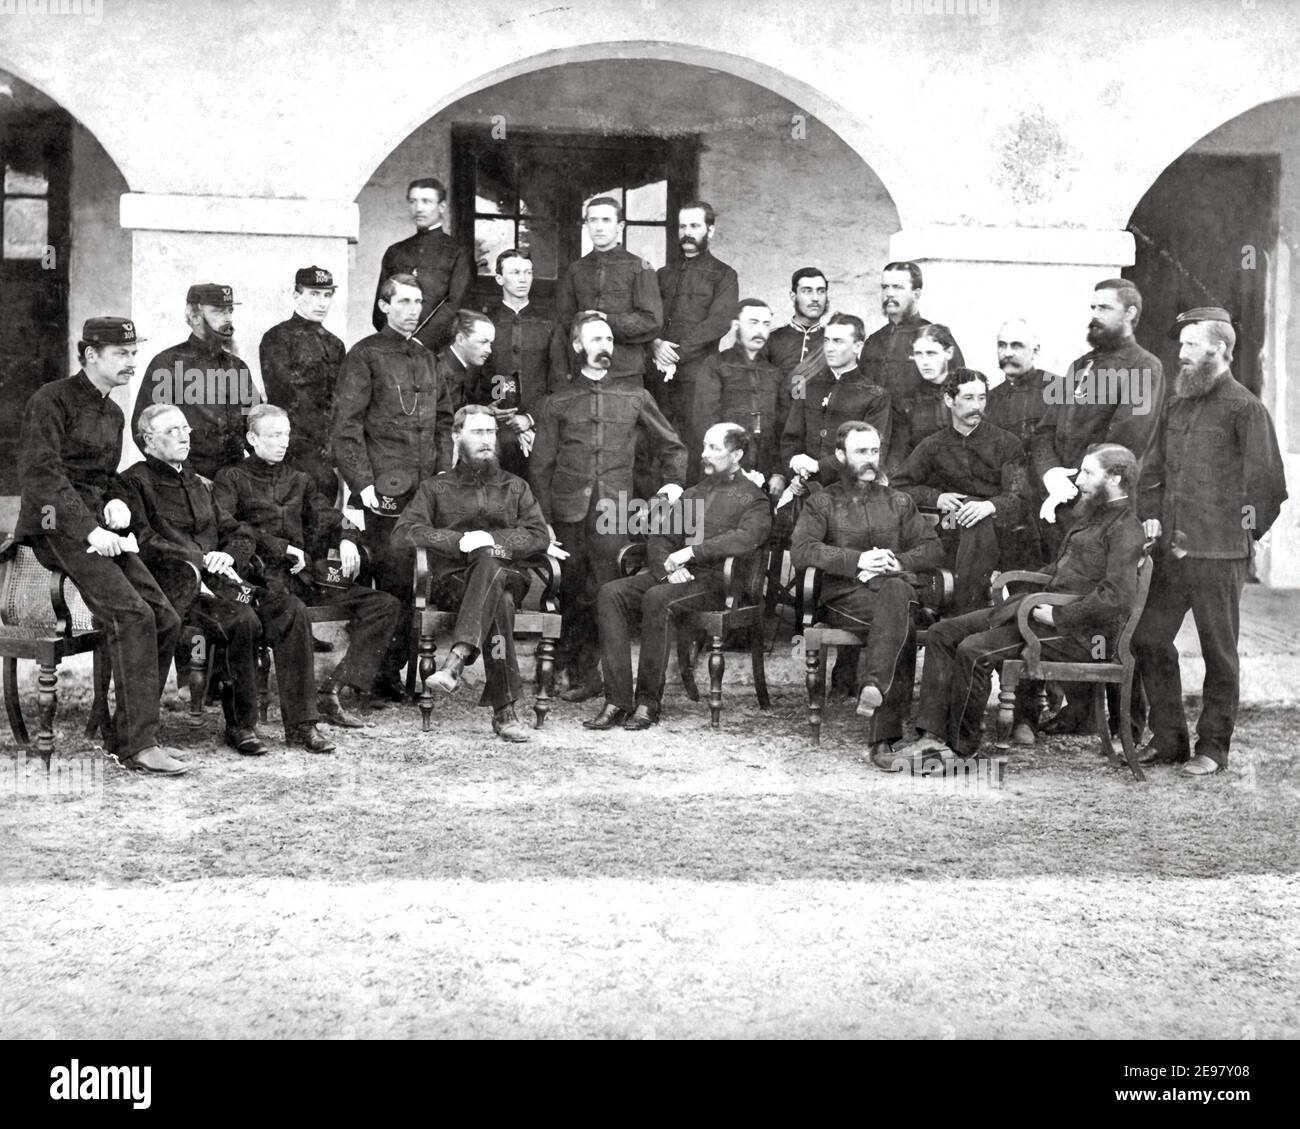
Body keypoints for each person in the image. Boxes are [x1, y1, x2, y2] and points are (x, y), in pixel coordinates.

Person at [892, 445, 1146, 768]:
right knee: (943, 632)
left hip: (1081, 637)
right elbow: (1063, 572)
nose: (1078, 480)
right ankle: (930, 736)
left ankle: (960, 749)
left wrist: (1057, 615)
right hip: (1043, 617)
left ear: (1115, 477)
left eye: (1087, 473)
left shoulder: (1125, 527)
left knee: (973, 650)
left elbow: (1118, 597)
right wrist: (1018, 585)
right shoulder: (1093, 516)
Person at [17, 317, 188, 776]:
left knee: (165, 615)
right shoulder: (50, 400)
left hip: (97, 529)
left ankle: (127, 732)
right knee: (131, 615)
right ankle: (138, 746)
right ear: (90, 355)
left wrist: (113, 499)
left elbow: (102, 476)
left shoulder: (113, 414)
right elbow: (42, 475)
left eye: (134, 352)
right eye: (122, 354)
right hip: (54, 527)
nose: (132, 362)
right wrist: (88, 529)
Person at [122, 404, 336, 756]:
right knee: (242, 619)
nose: (184, 436)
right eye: (172, 431)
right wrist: (200, 558)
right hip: (177, 590)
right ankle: (241, 726)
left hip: (223, 585)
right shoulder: (135, 481)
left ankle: (302, 725)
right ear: (148, 440)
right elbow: (145, 541)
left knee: (291, 609)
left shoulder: (196, 483)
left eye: (185, 429)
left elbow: (237, 532)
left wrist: (229, 556)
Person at [1133, 309, 1287, 776]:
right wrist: (1151, 518)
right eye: (1181, 345)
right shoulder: (1177, 406)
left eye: (1191, 345)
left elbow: (1267, 487)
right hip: (1171, 554)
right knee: (1148, 639)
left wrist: (1243, 536)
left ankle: (1213, 748)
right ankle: (1169, 740)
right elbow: (1151, 472)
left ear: (1219, 348)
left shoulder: (1246, 408)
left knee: (1219, 651)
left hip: (1219, 556)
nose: (1181, 354)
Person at [530, 312, 687, 699]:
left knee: (604, 588)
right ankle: (574, 669)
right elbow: (541, 467)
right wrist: (543, 521)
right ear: (578, 346)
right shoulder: (558, 402)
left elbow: (673, 446)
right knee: (570, 589)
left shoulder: (636, 397)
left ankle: (592, 672)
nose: (605, 347)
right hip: (567, 510)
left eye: (610, 340)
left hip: (615, 512)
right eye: (596, 340)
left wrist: (670, 486)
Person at [215, 405, 402, 728]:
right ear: (252, 438)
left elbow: (327, 516)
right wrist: (281, 547)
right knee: (294, 611)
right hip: (262, 579)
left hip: (303, 579)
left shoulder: (299, 479)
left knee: (384, 605)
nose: (283, 442)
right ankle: (301, 719)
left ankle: (332, 690)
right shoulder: (231, 478)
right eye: (274, 435)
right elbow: (228, 529)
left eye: (286, 434)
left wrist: (347, 537)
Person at [587, 423, 772, 731]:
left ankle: (648, 702)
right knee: (611, 592)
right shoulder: (694, 493)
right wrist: (666, 569)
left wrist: (691, 553)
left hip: (720, 583)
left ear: (737, 454)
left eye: (714, 448)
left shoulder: (754, 499)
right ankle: (617, 700)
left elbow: (744, 538)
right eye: (704, 447)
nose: (704, 454)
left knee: (658, 599)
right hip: (680, 577)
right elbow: (662, 538)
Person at [391, 404, 551, 742]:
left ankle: (456, 660)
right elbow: (404, 532)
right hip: (456, 581)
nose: (486, 439)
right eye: (477, 432)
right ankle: (504, 712)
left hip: (510, 572)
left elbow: (538, 535)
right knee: (500, 601)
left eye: (491, 432)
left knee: (492, 562)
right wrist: (459, 540)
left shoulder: (516, 486)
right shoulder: (435, 488)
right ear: (456, 437)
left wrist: (491, 540)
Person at [791, 421, 944, 763]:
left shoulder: (899, 502)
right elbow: (803, 550)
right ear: (840, 455)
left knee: (896, 597)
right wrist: (859, 558)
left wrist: (898, 561)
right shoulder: (822, 502)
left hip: (895, 590)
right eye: (861, 452)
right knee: (899, 612)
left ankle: (874, 687)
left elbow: (932, 548)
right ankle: (882, 740)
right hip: (847, 596)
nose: (870, 459)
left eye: (875, 451)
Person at [334, 272, 455, 698]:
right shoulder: (364, 354)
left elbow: (443, 422)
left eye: (418, 302)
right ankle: (375, 675)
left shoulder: (426, 357)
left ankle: (391, 670)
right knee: (389, 582)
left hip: (424, 494)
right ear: (384, 306)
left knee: (417, 582)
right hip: (382, 493)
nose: (412, 310)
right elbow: (346, 427)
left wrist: (443, 473)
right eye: (402, 301)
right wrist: (362, 482)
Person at [892, 369, 1029, 614]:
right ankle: (964, 611)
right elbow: (899, 486)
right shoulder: (933, 445)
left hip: (1001, 528)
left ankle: (964, 613)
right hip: (949, 525)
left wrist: (989, 506)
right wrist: (937, 497)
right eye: (968, 398)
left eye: (982, 398)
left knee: (976, 518)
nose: (977, 406)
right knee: (964, 516)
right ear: (949, 400)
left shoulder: (1008, 443)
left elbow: (1019, 496)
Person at [130, 283, 261, 480]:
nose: (228, 319)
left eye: (230, 311)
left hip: (234, 482)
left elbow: (256, 425)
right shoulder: (168, 363)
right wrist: (186, 477)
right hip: (187, 482)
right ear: (193, 315)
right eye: (218, 311)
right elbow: (143, 430)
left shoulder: (237, 367)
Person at [777, 313, 892, 501]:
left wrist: (820, 467)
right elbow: (790, 438)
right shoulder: (806, 386)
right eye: (827, 340)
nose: (829, 348)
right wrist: (795, 475)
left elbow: (870, 453)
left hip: (851, 496)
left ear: (857, 347)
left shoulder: (876, 396)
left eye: (838, 341)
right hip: (806, 493)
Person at [649, 200, 739, 434]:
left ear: (710, 230)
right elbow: (651, 318)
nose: (687, 233)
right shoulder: (663, 274)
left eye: (694, 226)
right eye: (682, 227)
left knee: (695, 443)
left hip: (700, 377)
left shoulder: (724, 275)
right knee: (658, 440)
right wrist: (656, 343)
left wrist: (675, 354)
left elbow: (718, 323)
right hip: (659, 375)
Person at [860, 261, 964, 460]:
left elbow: (957, 397)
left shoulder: (935, 339)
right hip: (876, 445)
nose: (889, 294)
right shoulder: (873, 341)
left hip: (919, 445)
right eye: (885, 287)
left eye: (897, 287)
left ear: (916, 294)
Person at [554, 196, 663, 386]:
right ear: (586, 224)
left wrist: (608, 320)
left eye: (606, 220)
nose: (599, 227)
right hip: (584, 371)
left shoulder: (639, 267)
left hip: (625, 371)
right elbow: (565, 322)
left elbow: (651, 321)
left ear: (620, 226)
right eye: (593, 220)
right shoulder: (576, 269)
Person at [259, 265, 346, 503]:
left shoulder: (335, 345)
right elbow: (284, 395)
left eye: (327, 295)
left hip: (328, 452)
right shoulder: (277, 338)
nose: (322, 303)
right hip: (293, 450)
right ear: (296, 295)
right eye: (314, 294)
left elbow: (341, 400)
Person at [475, 248, 563, 476]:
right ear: (499, 278)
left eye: (528, 272)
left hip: (542, 423)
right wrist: (491, 410)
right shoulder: (487, 322)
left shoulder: (548, 322)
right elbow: (478, 377)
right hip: (494, 424)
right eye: (515, 272)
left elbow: (559, 380)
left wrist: (530, 418)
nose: (523, 279)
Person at [691, 299, 787, 484]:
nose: (760, 331)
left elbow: (782, 427)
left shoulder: (774, 373)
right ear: (736, 325)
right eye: (753, 323)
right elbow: (705, 421)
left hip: (765, 472)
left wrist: (778, 472)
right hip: (723, 471)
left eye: (766, 324)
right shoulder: (715, 365)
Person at [371, 176, 471, 350]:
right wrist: (395, 338)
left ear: (441, 207)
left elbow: (456, 303)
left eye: (426, 201)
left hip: (438, 350)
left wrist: (420, 342)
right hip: (395, 349)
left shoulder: (458, 251)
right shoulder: (395, 251)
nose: (418, 208)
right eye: (413, 201)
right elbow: (381, 306)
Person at [889, 322, 959, 468]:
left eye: (931, 353)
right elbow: (901, 451)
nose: (925, 362)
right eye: (918, 354)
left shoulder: (966, 393)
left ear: (949, 353)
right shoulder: (908, 401)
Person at [436, 309, 495, 414]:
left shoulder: (460, 369)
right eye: (483, 342)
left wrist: (484, 412)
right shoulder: (437, 372)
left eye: (490, 343)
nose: (489, 350)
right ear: (460, 340)